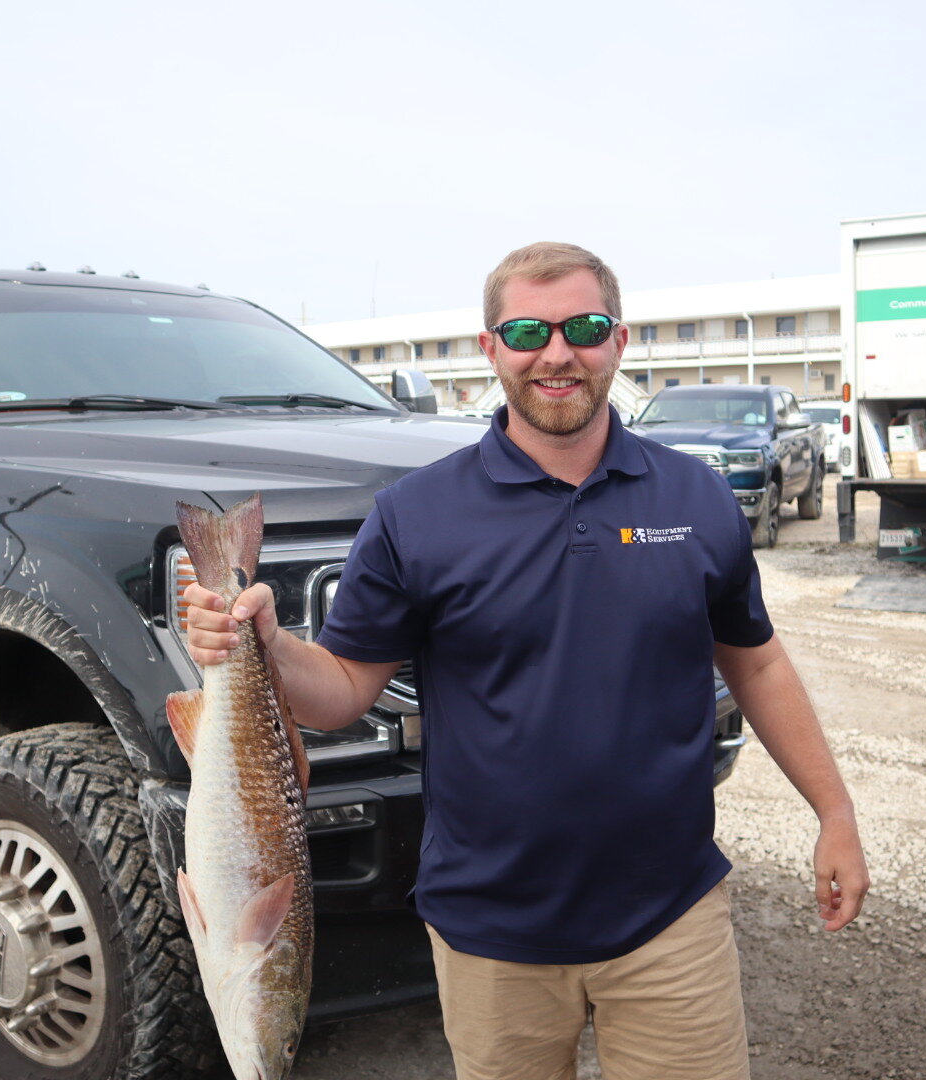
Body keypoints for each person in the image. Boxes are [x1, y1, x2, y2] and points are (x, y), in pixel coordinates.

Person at [182, 242, 868, 1080]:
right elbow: (343, 690)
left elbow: (756, 665)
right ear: (490, 349)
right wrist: (265, 645)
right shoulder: (415, 513)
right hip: (490, 937)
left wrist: (833, 812)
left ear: (618, 339)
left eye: (582, 327)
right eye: (527, 331)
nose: (556, 353)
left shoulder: (695, 497)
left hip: (671, 917)